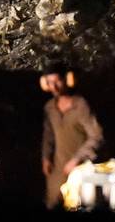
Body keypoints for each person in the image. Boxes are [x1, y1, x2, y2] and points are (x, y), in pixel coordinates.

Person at [39, 61, 103, 209]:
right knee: (52, 204)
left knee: (78, 206)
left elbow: (97, 136)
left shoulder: (81, 105)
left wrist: (76, 159)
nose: (54, 87)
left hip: (81, 170)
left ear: (67, 80)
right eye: (49, 82)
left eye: (57, 81)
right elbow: (48, 136)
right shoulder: (49, 108)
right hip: (57, 169)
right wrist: (46, 157)